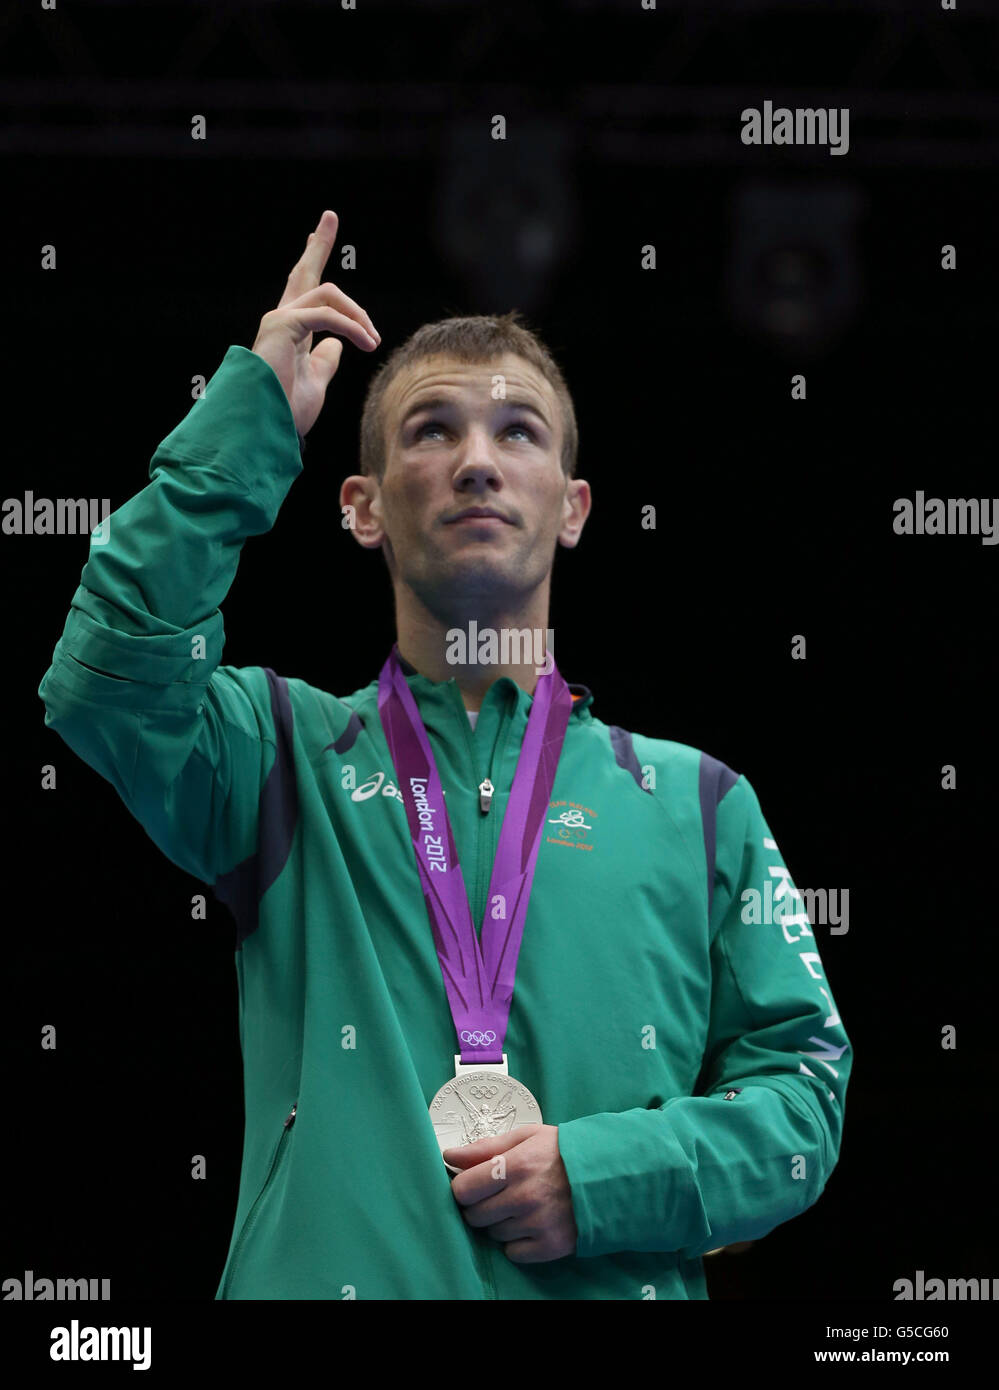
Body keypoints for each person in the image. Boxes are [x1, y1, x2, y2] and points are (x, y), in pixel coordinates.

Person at [38, 209, 852, 1300]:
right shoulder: (281, 756)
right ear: (361, 507)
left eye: (519, 431)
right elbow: (107, 677)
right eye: (430, 429)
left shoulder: (700, 802)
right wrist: (244, 432)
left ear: (573, 508)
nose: (476, 460)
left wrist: (604, 1174)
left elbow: (803, 1099)